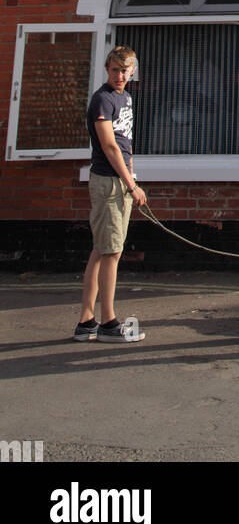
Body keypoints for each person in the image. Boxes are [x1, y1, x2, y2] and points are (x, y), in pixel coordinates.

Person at [75, 46, 147, 342]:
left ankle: (86, 321)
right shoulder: (102, 99)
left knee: (101, 250)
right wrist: (131, 185)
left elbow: (126, 143)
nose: (120, 75)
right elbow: (109, 146)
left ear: (133, 71)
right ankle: (108, 323)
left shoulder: (125, 98)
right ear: (107, 69)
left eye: (125, 70)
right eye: (115, 69)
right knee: (112, 253)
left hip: (121, 180)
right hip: (109, 182)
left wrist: (132, 176)